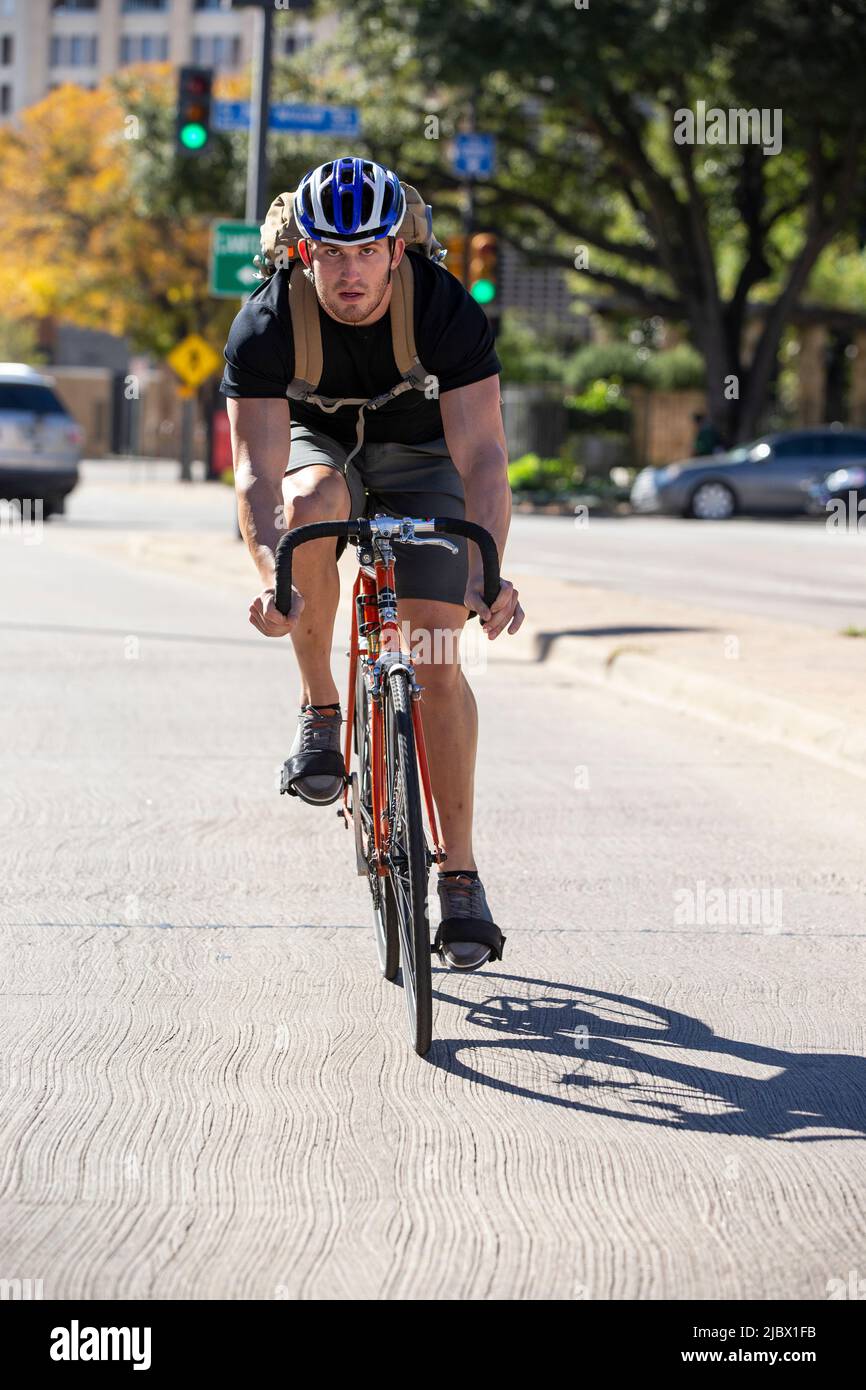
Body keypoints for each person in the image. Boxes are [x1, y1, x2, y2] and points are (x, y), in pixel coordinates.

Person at [221, 157, 524, 971]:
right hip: (323, 452)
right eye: (331, 253)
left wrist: (484, 572)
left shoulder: (448, 310)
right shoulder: (264, 324)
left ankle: (459, 875)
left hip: (426, 455)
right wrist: (270, 580)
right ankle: (322, 711)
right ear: (302, 253)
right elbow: (256, 472)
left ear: (397, 250)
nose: (348, 272)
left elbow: (485, 455)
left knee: (433, 653)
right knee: (311, 507)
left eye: (366, 253)